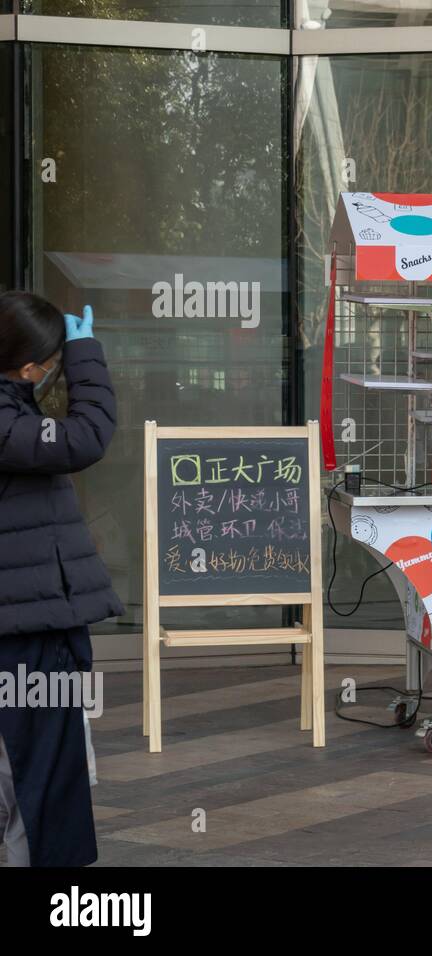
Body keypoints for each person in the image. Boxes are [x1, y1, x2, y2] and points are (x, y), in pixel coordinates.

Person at [0, 292, 122, 867]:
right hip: (24, 630)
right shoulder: (6, 422)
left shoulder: (15, 410)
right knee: (36, 775)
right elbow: (86, 437)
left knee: (32, 771)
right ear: (30, 367)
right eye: (52, 362)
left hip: (33, 620)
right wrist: (87, 356)